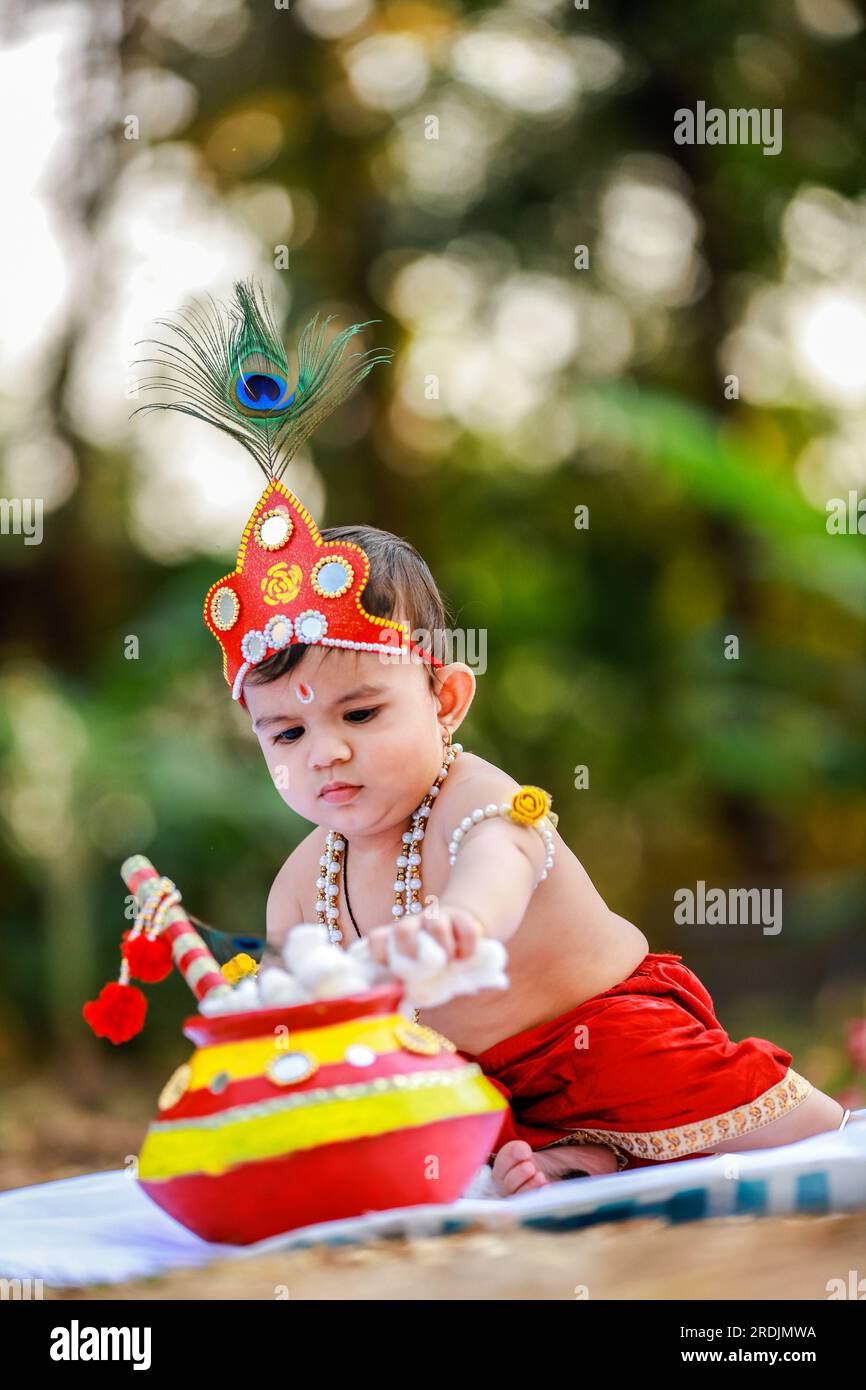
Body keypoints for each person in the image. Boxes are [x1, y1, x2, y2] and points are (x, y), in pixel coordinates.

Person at [137, 279, 858, 1200]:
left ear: (446, 696)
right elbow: (324, 1017)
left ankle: (674, 1129)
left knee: (788, 1127)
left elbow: (498, 875)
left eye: (361, 714)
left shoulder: (477, 797)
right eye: (286, 730)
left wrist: (458, 925)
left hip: (601, 1031)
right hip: (475, 1078)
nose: (325, 751)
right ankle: (571, 1154)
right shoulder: (297, 889)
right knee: (413, 1115)